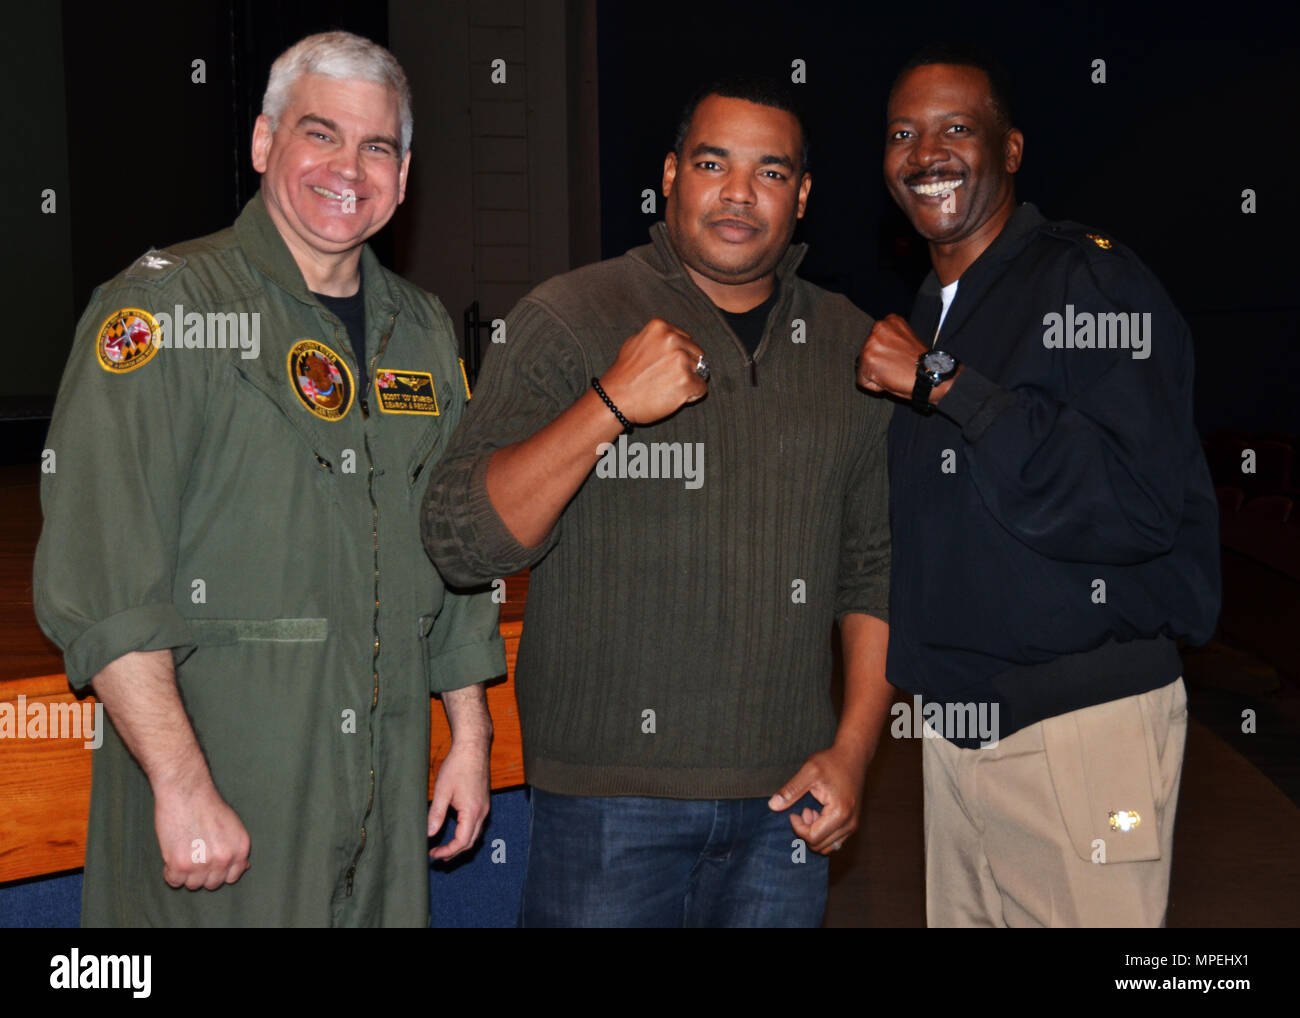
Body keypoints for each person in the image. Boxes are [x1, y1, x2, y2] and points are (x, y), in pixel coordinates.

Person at [33, 31, 505, 927]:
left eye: (376, 147)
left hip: (388, 808)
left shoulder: (423, 330)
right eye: (320, 134)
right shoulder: (163, 310)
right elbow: (102, 583)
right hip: (230, 801)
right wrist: (181, 787)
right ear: (263, 144)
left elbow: (453, 554)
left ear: (403, 176)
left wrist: (470, 735)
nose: (348, 169)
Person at [422, 77, 894, 927]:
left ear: (804, 195)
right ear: (671, 175)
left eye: (772, 171)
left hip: (789, 802)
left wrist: (853, 753)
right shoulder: (569, 317)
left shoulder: (846, 345)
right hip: (608, 808)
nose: (740, 192)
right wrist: (608, 404)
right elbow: (462, 539)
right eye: (714, 163)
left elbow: (871, 576)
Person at [857, 44, 1220, 927]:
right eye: (904, 132)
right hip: (957, 739)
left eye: (955, 128)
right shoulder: (935, 310)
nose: (925, 152)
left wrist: (942, 378)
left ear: (1010, 150)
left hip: (1081, 734)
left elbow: (1137, 501)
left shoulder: (1086, 278)